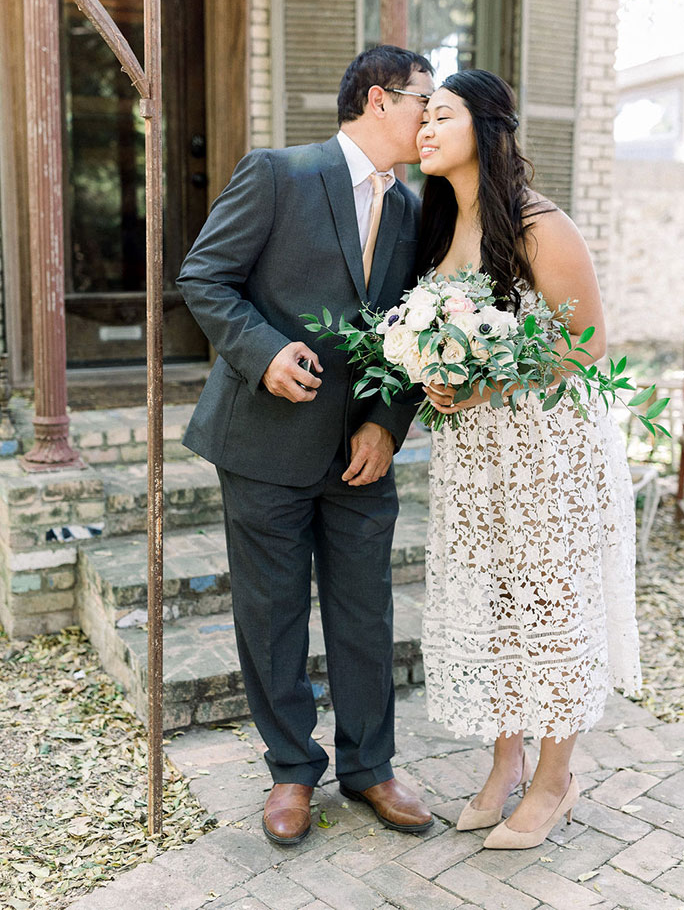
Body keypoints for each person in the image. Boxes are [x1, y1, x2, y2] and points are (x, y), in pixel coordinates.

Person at [177, 46, 435, 845]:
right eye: (423, 100)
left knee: (366, 612)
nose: (432, 116)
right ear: (377, 99)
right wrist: (263, 354)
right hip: (264, 440)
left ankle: (370, 766)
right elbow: (204, 277)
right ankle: (291, 768)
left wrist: (386, 423)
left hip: (361, 452)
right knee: (271, 613)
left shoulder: (414, 211)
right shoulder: (278, 174)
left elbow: (417, 330)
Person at [416, 69, 641, 850]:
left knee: (550, 607)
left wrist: (488, 385)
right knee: (497, 605)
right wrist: (435, 375)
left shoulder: (540, 224)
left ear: (485, 128)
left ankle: (555, 780)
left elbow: (588, 343)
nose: (425, 130)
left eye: (441, 116)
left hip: (547, 447)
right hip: (477, 458)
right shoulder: (442, 225)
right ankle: (504, 763)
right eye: (422, 118)